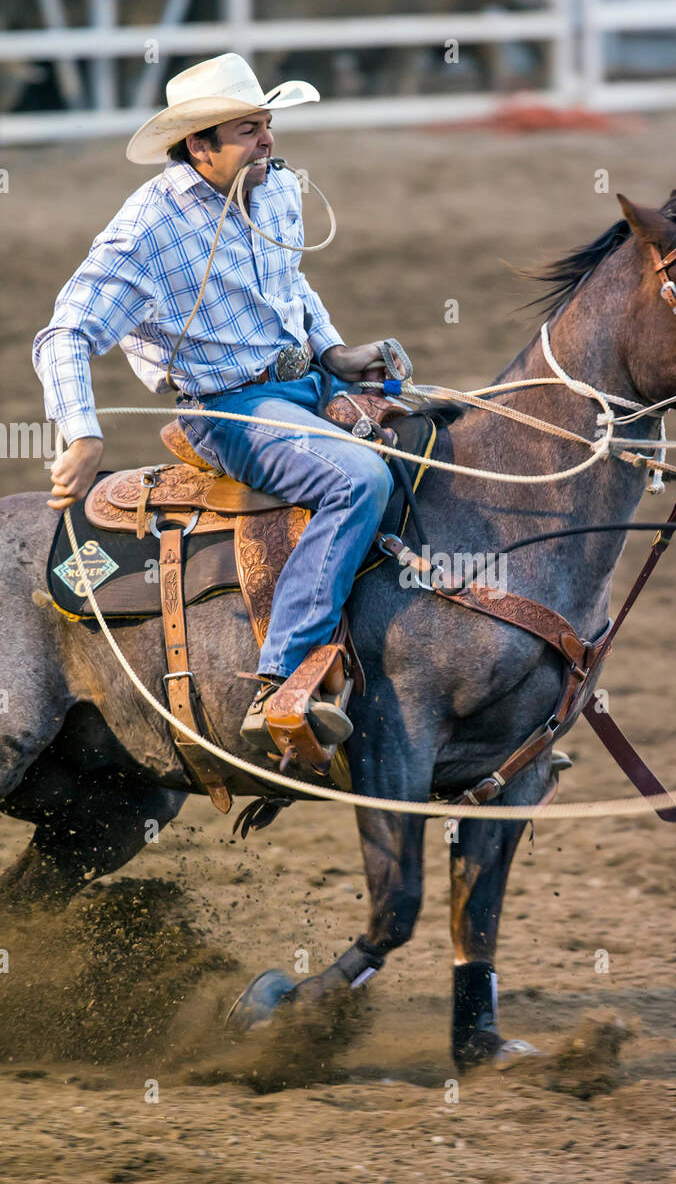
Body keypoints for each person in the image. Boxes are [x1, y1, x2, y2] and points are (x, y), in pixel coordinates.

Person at [34, 52, 401, 752]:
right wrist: (81, 434)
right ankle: (283, 676)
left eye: (266, 123)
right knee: (357, 479)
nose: (267, 140)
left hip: (306, 384)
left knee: (434, 438)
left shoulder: (277, 188)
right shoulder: (147, 230)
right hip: (230, 410)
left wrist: (332, 351)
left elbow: (291, 281)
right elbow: (65, 333)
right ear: (198, 146)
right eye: (246, 129)